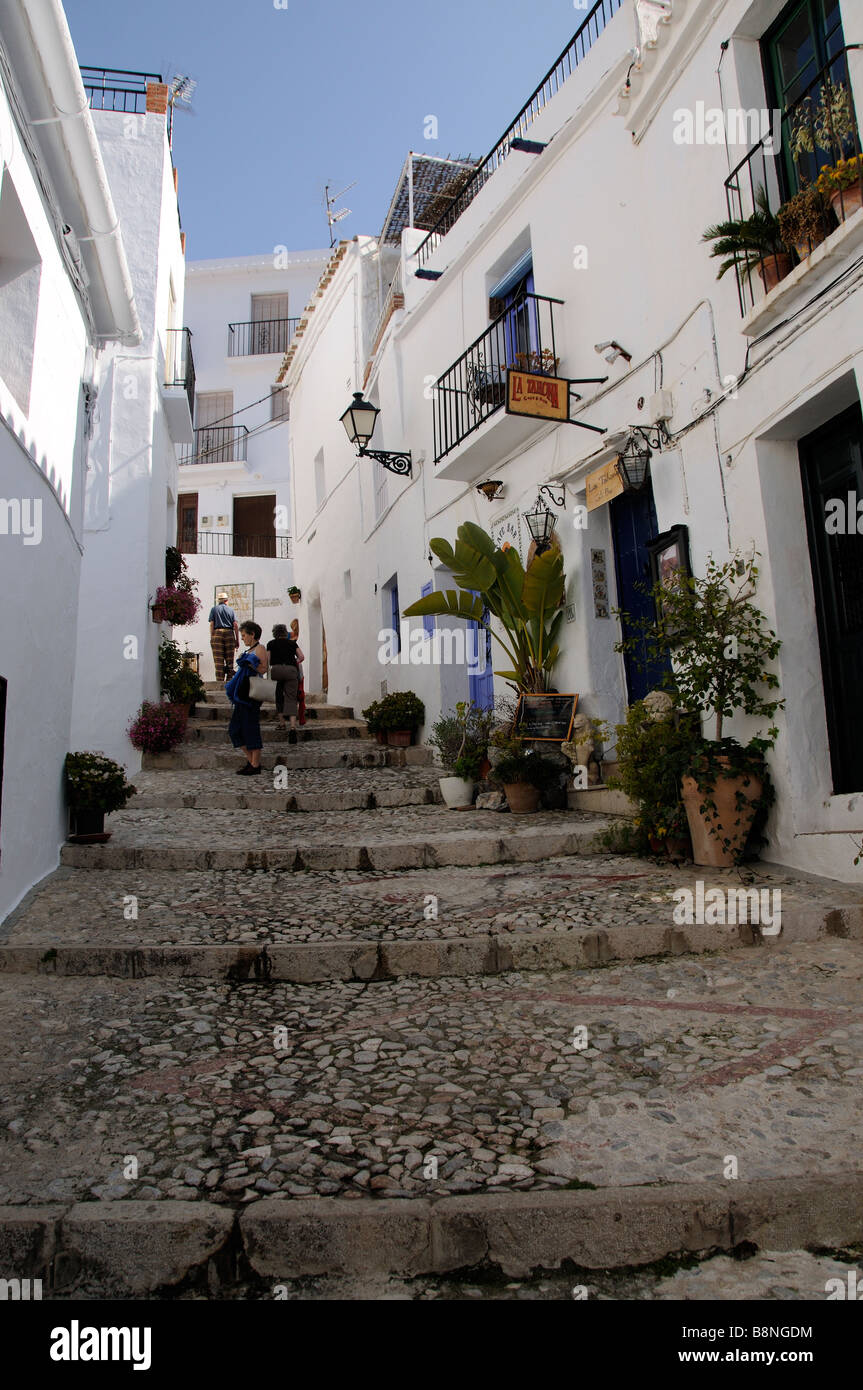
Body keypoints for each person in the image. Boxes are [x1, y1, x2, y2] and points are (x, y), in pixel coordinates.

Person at [225, 621, 268, 774]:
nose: (242, 638)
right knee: (235, 729)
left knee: (250, 727)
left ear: (252, 634)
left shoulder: (260, 648)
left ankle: (254, 764)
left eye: (244, 635)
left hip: (251, 693)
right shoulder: (249, 650)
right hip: (243, 693)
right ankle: (252, 762)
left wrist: (250, 665)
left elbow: (263, 668)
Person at [267, 623, 304, 744]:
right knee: (291, 698)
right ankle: (293, 728)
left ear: (275, 634)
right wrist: (295, 662)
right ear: (285, 633)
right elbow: (301, 657)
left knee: (278, 696)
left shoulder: (271, 643)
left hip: (276, 670)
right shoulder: (292, 643)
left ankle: (282, 723)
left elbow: (267, 660)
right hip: (291, 670)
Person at [209, 592, 239, 682]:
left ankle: (219, 682)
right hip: (229, 633)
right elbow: (235, 625)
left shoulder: (214, 609)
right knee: (230, 661)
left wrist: (212, 637)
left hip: (217, 633)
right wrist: (237, 639)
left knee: (218, 661)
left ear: (219, 601)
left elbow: (211, 624)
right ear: (226, 600)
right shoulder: (231, 610)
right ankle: (229, 682)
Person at [290, 617, 307, 727]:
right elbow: (301, 657)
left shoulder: (291, 639)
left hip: (291, 667)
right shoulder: (300, 638)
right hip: (298, 667)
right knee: (300, 692)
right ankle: (301, 718)